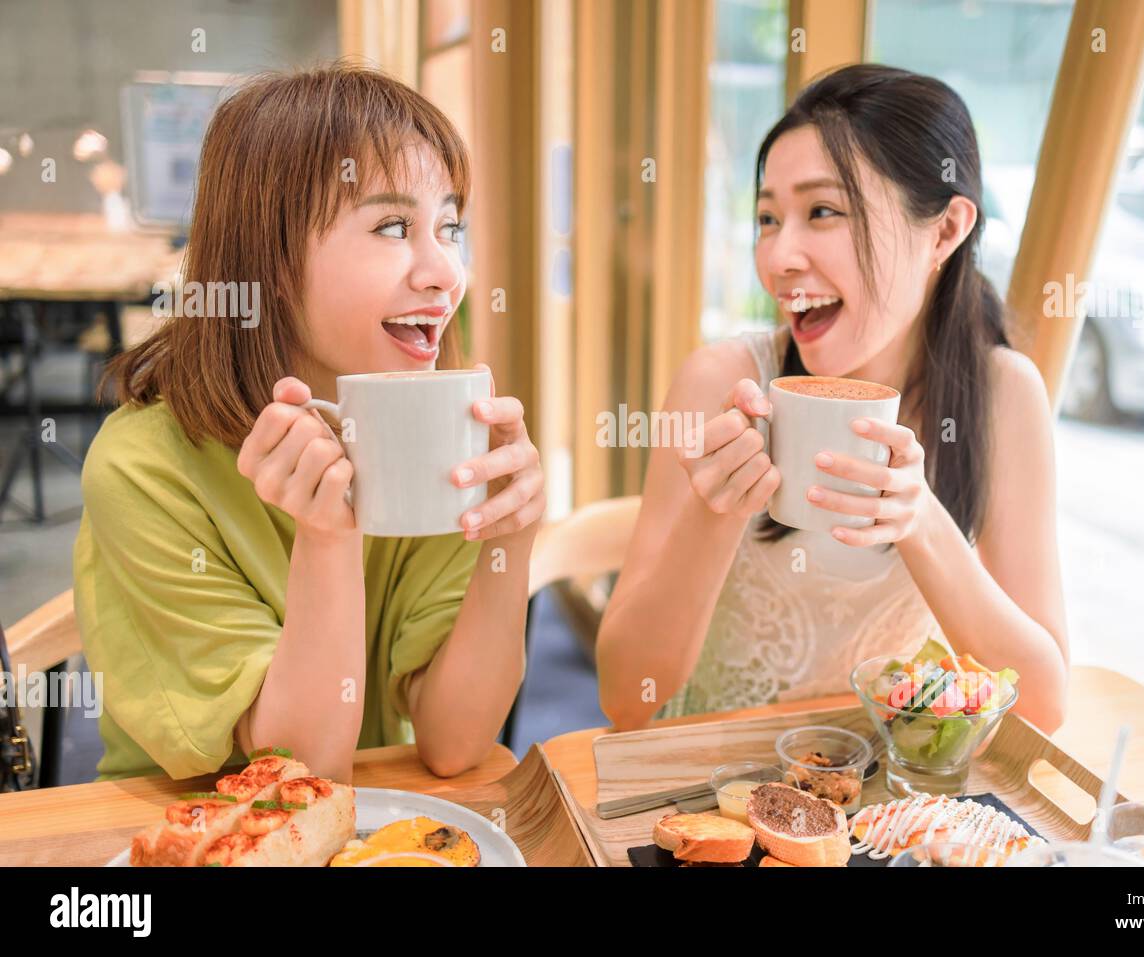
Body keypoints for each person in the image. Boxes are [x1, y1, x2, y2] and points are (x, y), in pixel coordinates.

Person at [74, 66, 544, 782]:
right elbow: (297, 773)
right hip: (188, 833)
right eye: (393, 226)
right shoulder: (142, 468)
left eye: (449, 227)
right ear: (271, 262)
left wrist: (510, 540)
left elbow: (454, 740)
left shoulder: (430, 436)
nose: (446, 270)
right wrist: (327, 541)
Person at [597, 64, 1068, 733]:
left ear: (943, 231)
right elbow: (625, 695)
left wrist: (921, 523)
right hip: (706, 789)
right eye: (766, 217)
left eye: (822, 211)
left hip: (882, 802)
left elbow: (1045, 705)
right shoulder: (720, 382)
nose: (779, 257)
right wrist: (715, 513)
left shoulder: (1003, 396)